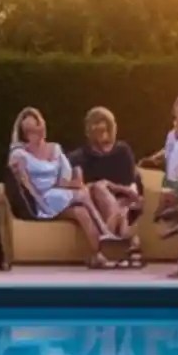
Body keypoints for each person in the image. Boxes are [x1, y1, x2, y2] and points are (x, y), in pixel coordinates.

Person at [7, 107, 126, 269]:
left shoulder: (55, 149)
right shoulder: (19, 154)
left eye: (37, 126)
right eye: (29, 131)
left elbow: (64, 181)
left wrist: (76, 178)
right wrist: (40, 205)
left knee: (81, 212)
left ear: (42, 125)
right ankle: (106, 233)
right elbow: (26, 185)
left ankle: (99, 255)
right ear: (24, 133)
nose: (35, 133)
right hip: (42, 199)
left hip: (57, 194)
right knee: (83, 195)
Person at [68, 107, 143, 267]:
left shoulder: (123, 151)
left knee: (105, 190)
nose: (101, 132)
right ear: (89, 131)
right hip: (94, 205)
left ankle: (108, 248)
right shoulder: (79, 156)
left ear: (111, 128)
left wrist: (109, 186)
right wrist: (100, 186)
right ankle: (126, 245)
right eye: (96, 128)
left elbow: (130, 185)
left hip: (124, 199)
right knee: (98, 188)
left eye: (105, 128)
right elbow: (79, 187)